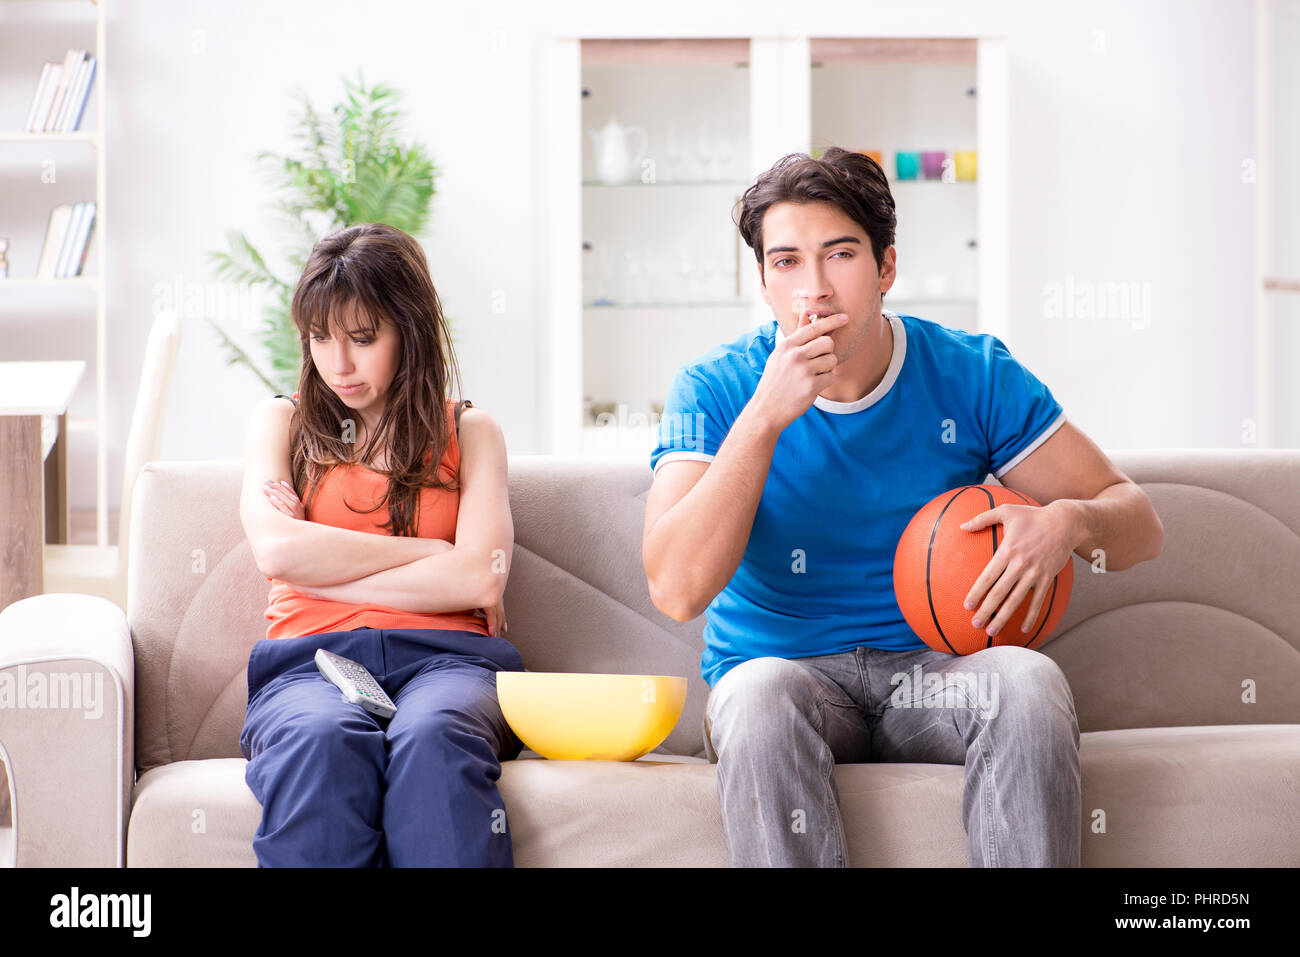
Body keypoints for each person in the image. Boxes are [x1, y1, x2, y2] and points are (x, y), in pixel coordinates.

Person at [642, 148, 1164, 867]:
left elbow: (1136, 522)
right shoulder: (715, 387)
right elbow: (675, 589)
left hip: (936, 671)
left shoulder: (971, 373)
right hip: (787, 676)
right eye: (787, 262)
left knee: (1028, 682)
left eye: (841, 254)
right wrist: (763, 419)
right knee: (756, 696)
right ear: (762, 281)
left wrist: (1069, 522)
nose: (815, 289)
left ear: (886, 267)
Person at [238, 222, 524, 867]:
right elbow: (277, 553)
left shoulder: (472, 432)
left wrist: (323, 568)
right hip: (308, 663)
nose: (337, 364)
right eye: (320, 338)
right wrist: (428, 553)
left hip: (448, 660)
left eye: (363, 339)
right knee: (320, 737)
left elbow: (479, 580)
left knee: (434, 736)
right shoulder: (279, 423)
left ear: (410, 331)